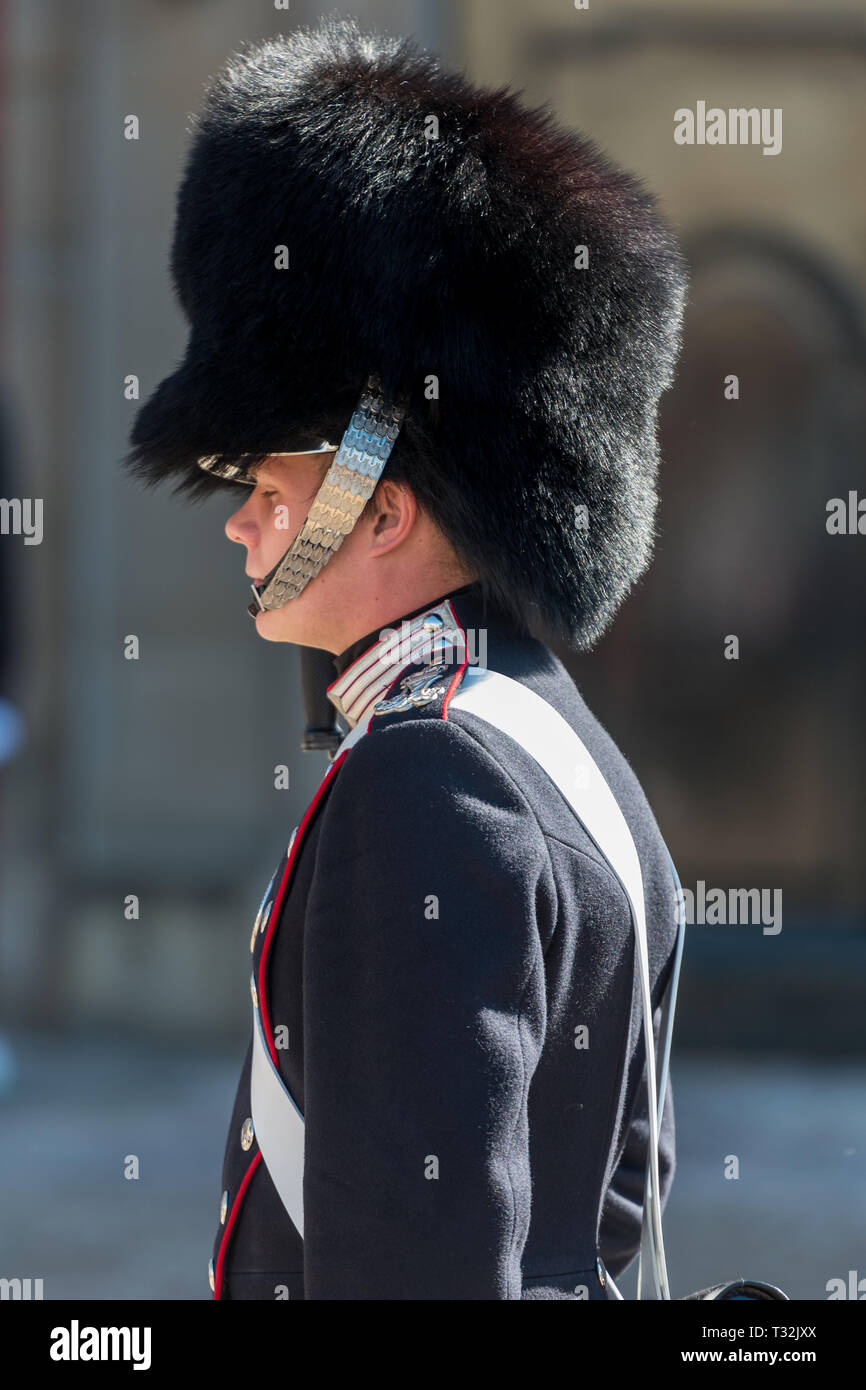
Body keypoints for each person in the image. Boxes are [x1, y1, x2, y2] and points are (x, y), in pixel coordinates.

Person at [125, 16, 688, 1300]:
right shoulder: (555, 747)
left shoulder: (427, 782)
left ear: (380, 510)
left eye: (269, 483)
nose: (240, 518)